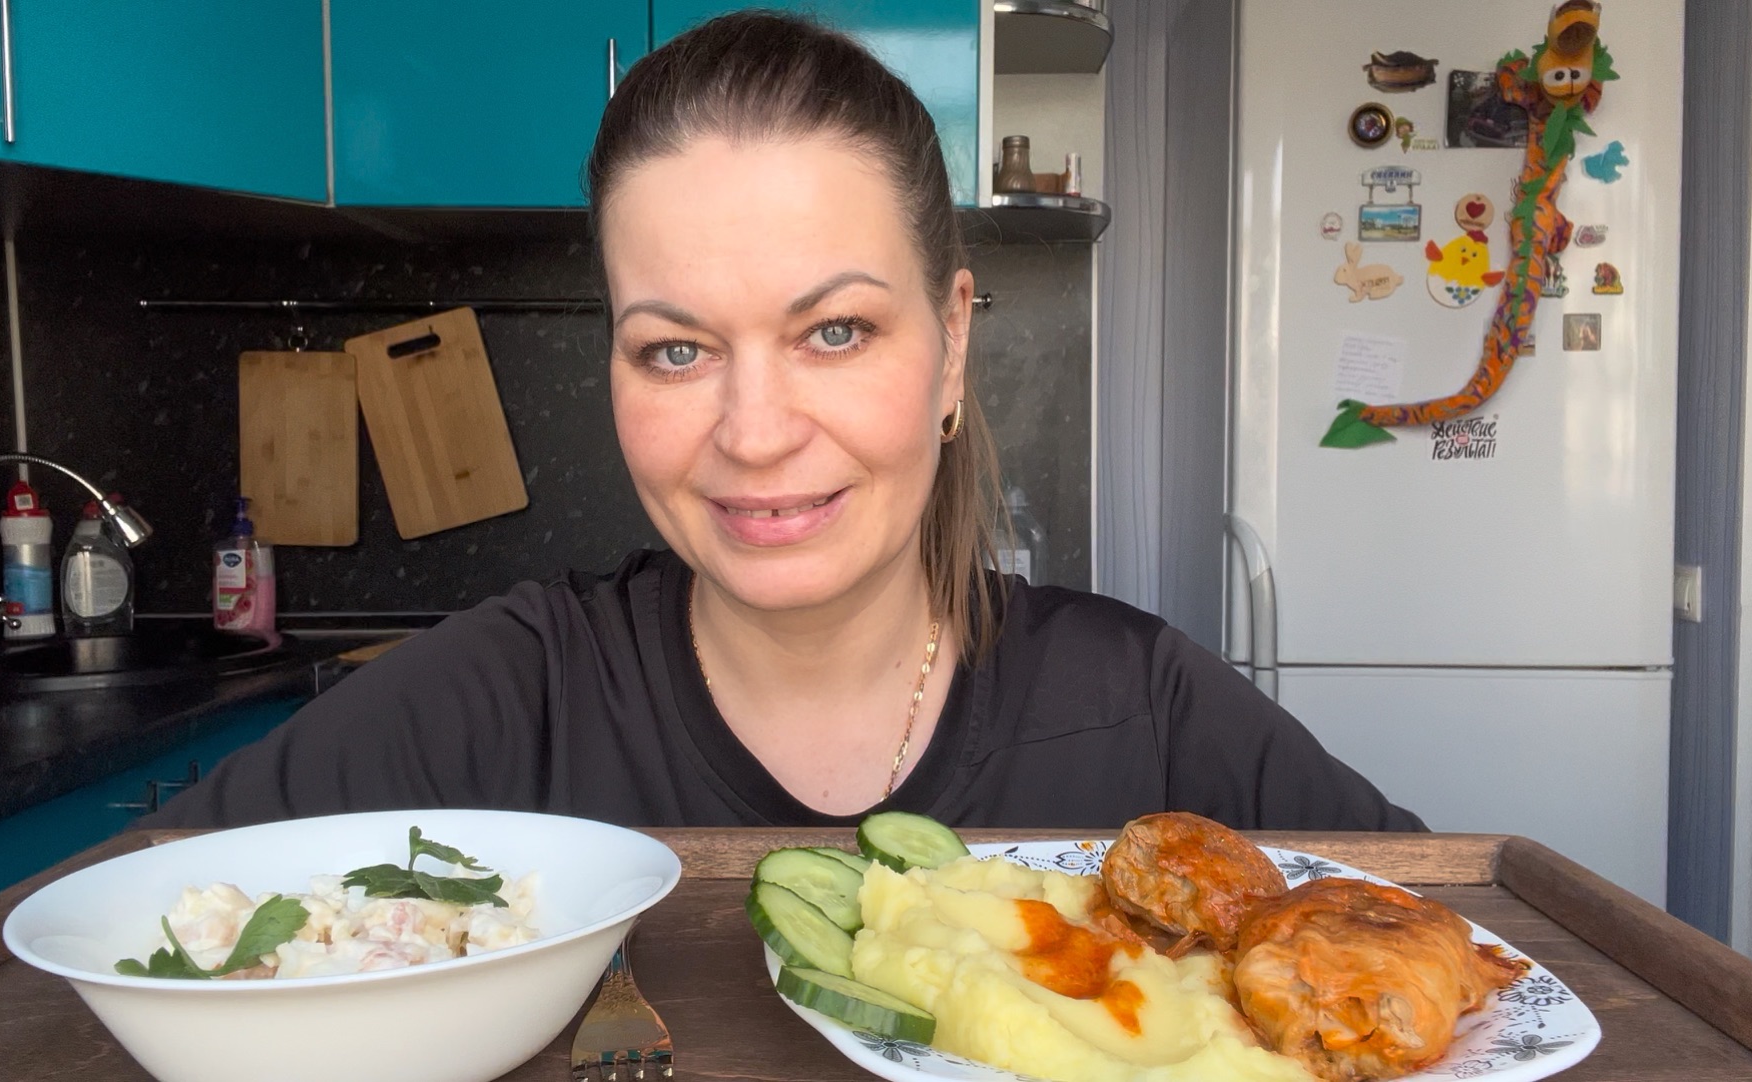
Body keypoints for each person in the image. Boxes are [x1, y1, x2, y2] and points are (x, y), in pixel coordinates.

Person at [149, 11, 1422, 833]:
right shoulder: (504, 697)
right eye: (676, 349)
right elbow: (106, 946)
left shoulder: (1142, 712)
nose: (753, 433)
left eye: (835, 331)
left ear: (952, 342)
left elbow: (1457, 976)